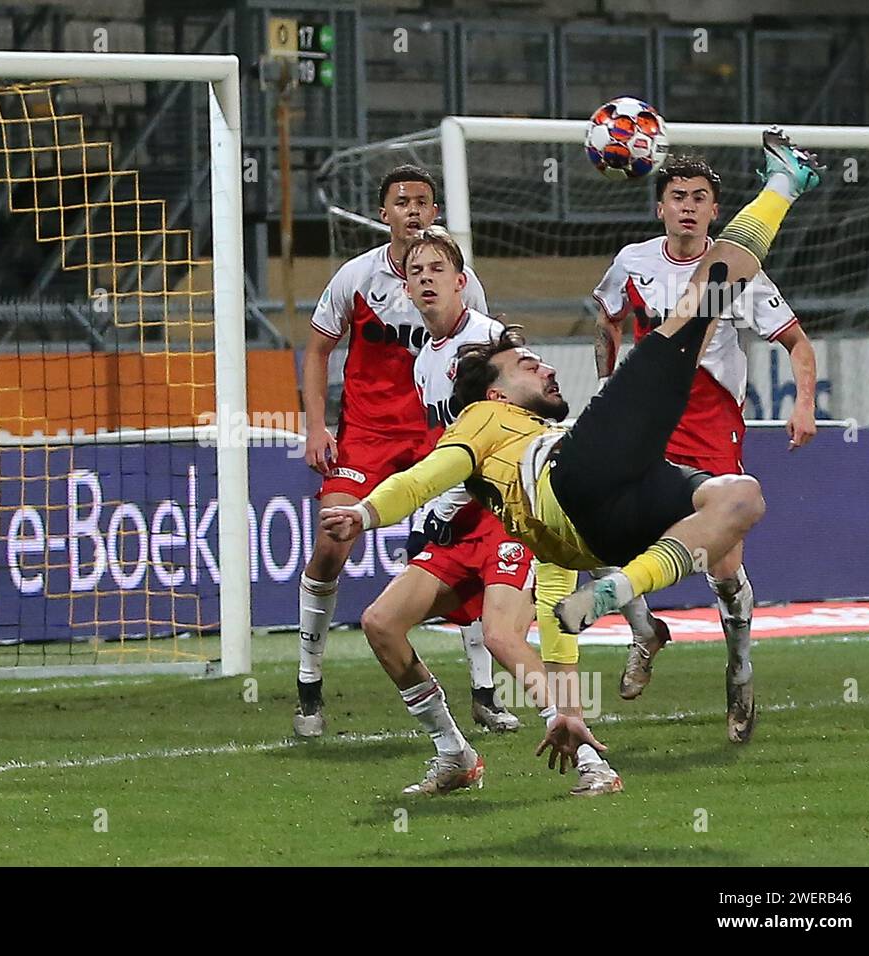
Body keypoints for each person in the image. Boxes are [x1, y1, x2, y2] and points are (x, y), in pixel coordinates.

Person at [319, 128, 822, 647]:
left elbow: (433, 482)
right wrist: (364, 512)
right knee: (710, 290)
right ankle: (785, 183)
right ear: (496, 392)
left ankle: (613, 626)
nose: (542, 365)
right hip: (579, 481)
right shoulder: (484, 422)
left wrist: (371, 513)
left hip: (591, 538)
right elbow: (425, 477)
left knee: (743, 499)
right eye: (524, 362)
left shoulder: (496, 437)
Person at [364, 228, 619, 796]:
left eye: (437, 269)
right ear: (404, 287)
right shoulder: (424, 361)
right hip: (461, 520)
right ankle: (453, 753)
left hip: (510, 512)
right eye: (414, 271)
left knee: (504, 636)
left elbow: (521, 424)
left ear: (461, 283)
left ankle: (592, 763)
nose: (425, 278)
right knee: (381, 624)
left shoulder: (491, 344)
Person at [577, 154, 819, 742]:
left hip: (710, 427)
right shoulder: (630, 263)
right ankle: (645, 630)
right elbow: (605, 319)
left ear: (715, 211)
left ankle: (739, 669)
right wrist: (608, 382)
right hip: (644, 422)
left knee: (723, 563)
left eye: (698, 198)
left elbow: (797, 342)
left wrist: (805, 403)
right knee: (587, 527)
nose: (686, 206)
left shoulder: (738, 272)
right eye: (677, 196)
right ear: (660, 206)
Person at [294, 164, 510, 737]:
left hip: (440, 434)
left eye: (422, 202)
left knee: (467, 548)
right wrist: (317, 427)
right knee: (331, 540)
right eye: (401, 202)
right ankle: (308, 683)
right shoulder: (355, 277)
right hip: (367, 433)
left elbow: (483, 366)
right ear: (383, 212)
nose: (412, 210)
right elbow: (317, 350)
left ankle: (484, 693)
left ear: (435, 213)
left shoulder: (462, 282)